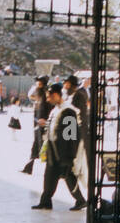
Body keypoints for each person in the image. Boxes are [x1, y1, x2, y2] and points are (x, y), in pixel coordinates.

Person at [32, 83, 87, 211]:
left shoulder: (68, 110)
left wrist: (70, 155)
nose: (47, 100)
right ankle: (46, 201)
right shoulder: (56, 109)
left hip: (63, 152)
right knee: (50, 176)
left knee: (68, 176)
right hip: (54, 149)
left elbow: (72, 135)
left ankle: (80, 200)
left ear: (56, 95)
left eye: (49, 97)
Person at [22, 75, 49, 176]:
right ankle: (29, 166)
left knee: (42, 144)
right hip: (37, 118)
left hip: (44, 120)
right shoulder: (38, 91)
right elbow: (31, 96)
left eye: (39, 81)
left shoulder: (46, 93)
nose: (38, 83)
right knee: (37, 143)